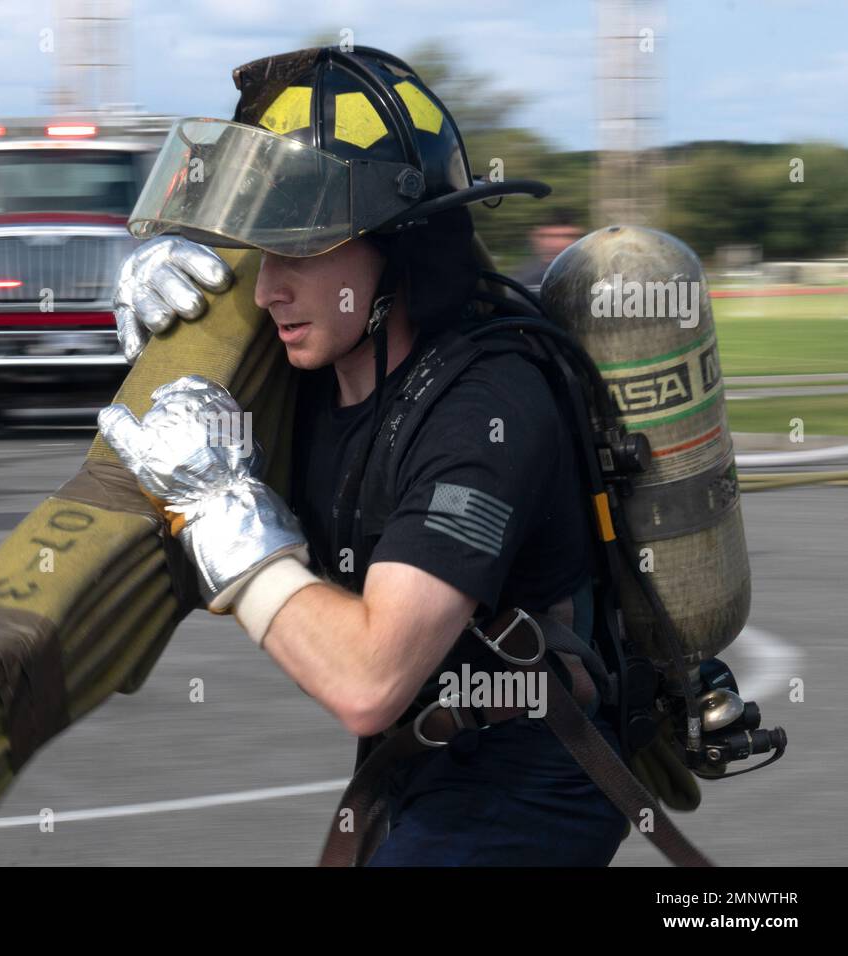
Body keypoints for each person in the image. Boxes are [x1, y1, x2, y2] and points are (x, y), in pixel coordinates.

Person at [100, 45, 627, 866]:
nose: (268, 287)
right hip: (416, 765)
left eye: (299, 250)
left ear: (400, 248)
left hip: (530, 779)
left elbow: (368, 679)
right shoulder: (325, 367)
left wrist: (215, 511)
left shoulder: (487, 407)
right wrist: (177, 326)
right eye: (260, 252)